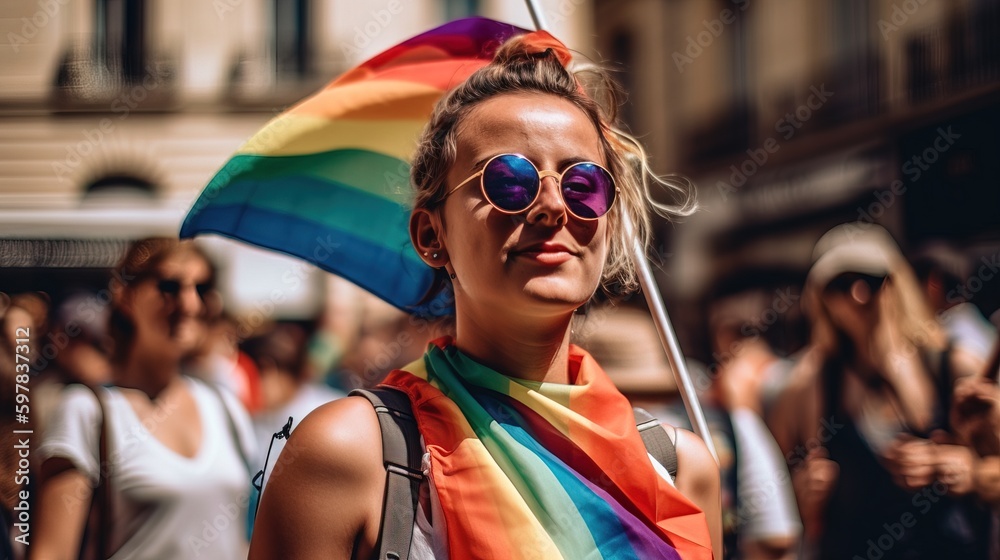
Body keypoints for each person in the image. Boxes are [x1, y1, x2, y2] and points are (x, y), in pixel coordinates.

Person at [250, 31, 721, 559]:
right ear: (432, 236)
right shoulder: (346, 454)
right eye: (509, 182)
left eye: (583, 184)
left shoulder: (682, 468)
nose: (551, 206)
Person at [769, 224, 990, 559]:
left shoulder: (954, 366)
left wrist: (969, 470)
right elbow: (769, 497)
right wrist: (799, 494)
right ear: (821, 299)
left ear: (895, 283)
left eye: (871, 280)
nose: (858, 296)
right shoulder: (808, 385)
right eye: (840, 285)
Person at [32, 238, 257, 560]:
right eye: (169, 286)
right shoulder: (87, 412)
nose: (189, 304)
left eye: (202, 288)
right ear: (125, 296)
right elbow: (52, 553)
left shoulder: (225, 407)